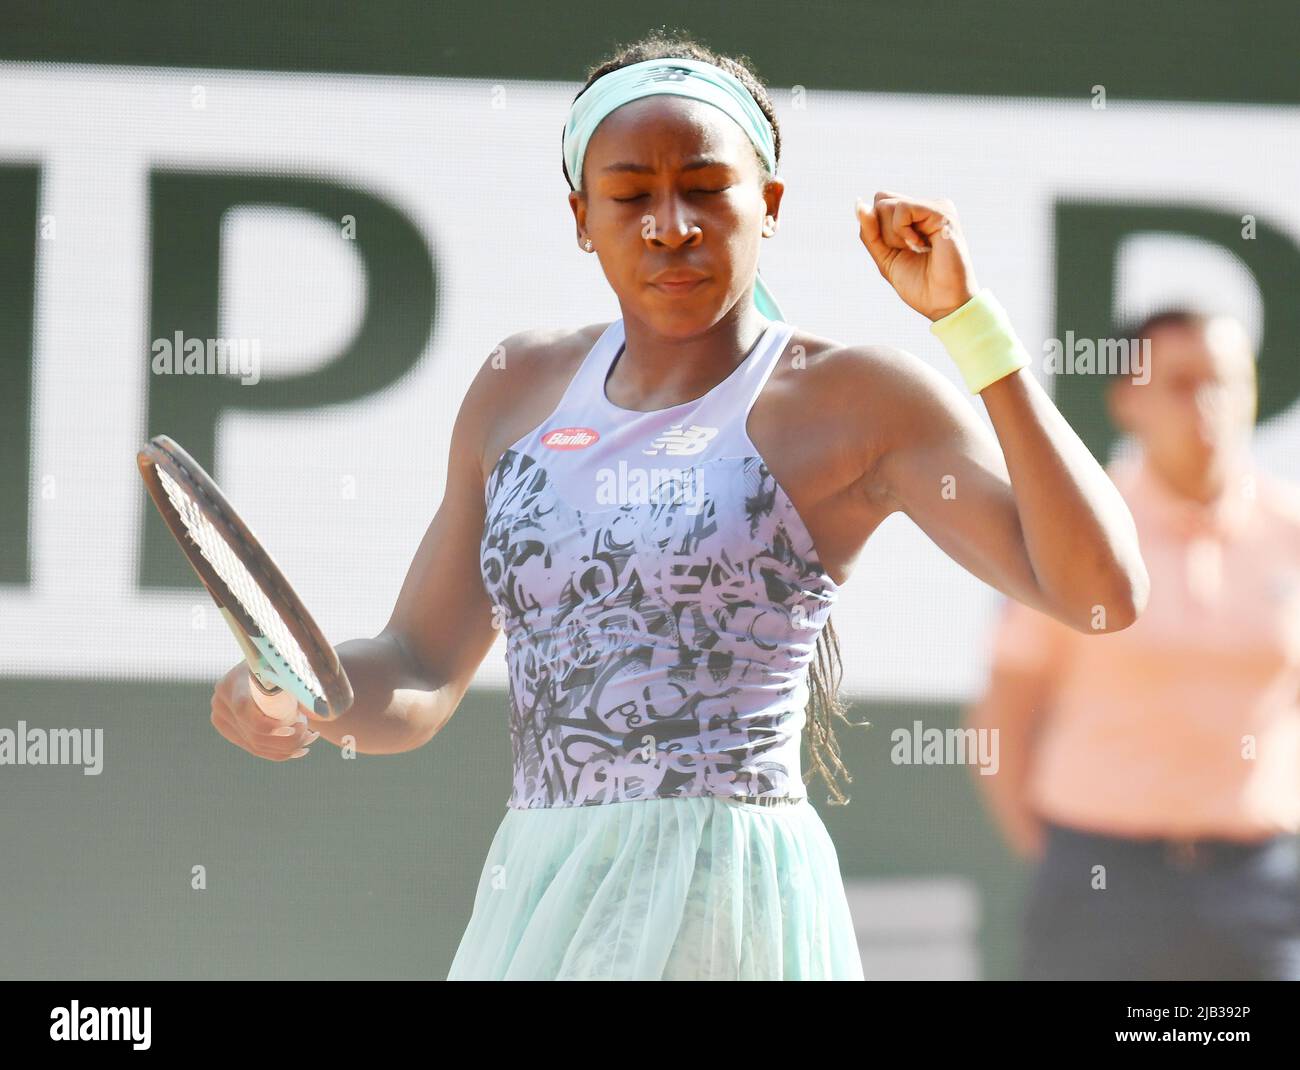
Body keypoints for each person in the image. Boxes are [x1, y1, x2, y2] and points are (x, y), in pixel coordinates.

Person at [209, 31, 1148, 981]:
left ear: (769, 204)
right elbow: (418, 667)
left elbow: (1102, 594)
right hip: (537, 897)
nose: (670, 225)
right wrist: (303, 693)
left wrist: (968, 324)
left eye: (705, 188)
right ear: (583, 217)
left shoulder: (857, 399)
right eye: (629, 196)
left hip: (731, 912)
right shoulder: (515, 387)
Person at [967, 308, 1300, 980]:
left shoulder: (1289, 529)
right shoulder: (1077, 534)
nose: (1208, 404)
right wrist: (1059, 856)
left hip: (1262, 887)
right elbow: (1004, 718)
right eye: (1179, 384)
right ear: (1128, 399)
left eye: (1227, 382)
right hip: (1097, 883)